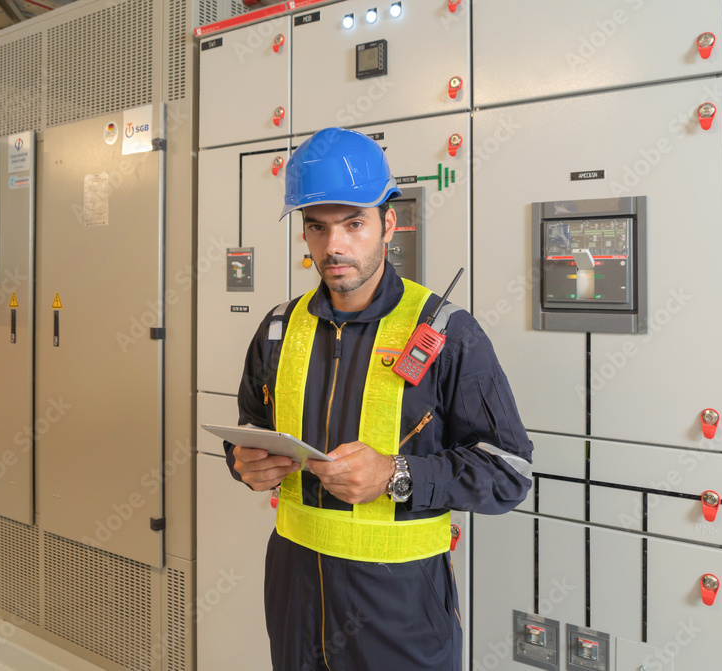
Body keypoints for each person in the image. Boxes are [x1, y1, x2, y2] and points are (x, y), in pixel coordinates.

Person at [225, 127, 533, 671]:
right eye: (317, 228)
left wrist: (396, 474)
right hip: (296, 594)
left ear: (389, 223)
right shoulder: (278, 330)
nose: (334, 246)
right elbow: (251, 428)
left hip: (400, 610)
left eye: (353, 224)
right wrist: (245, 464)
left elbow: (509, 472)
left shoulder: (447, 333)